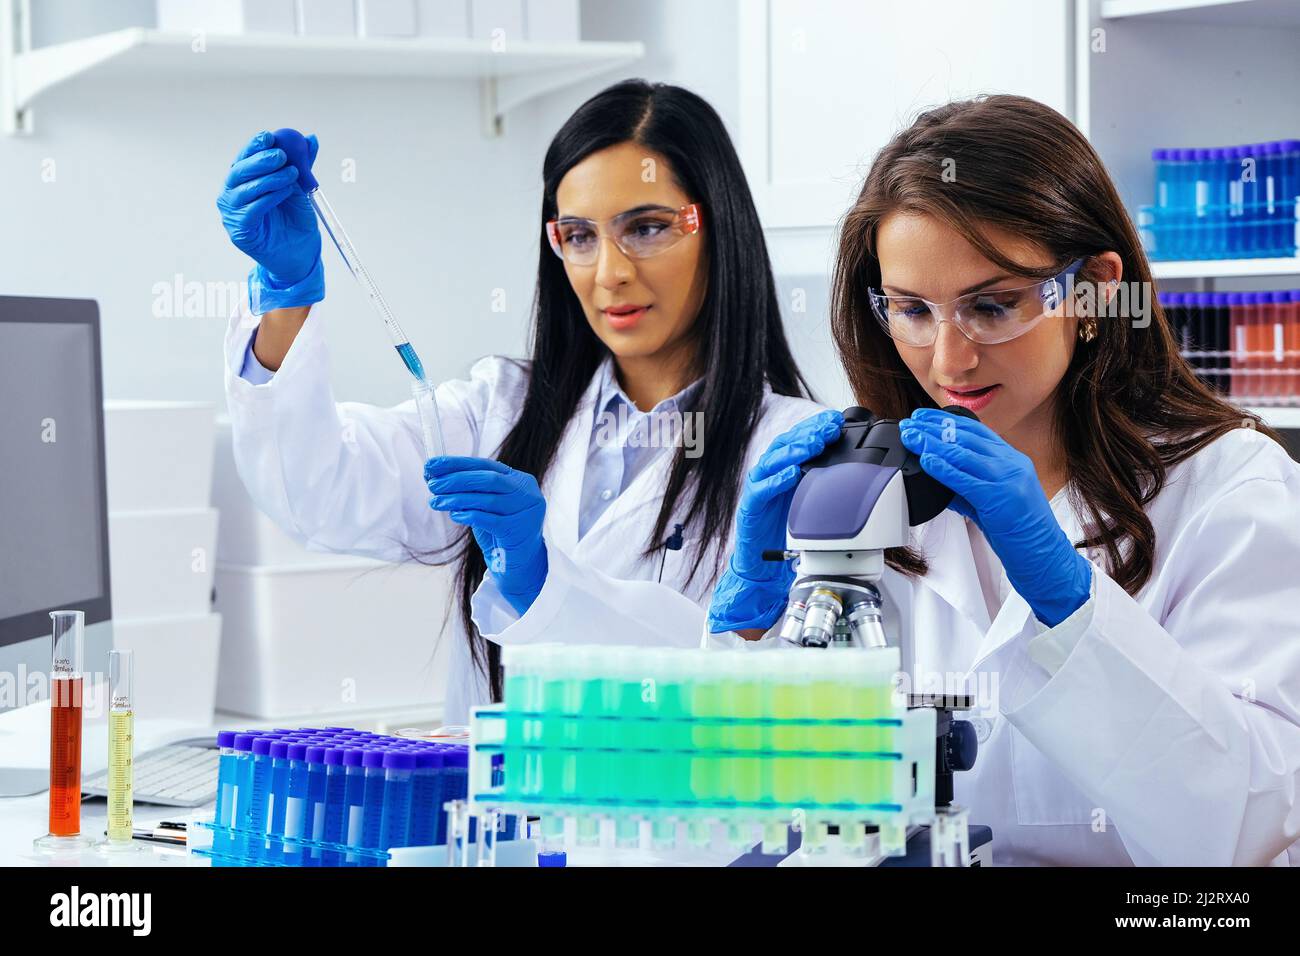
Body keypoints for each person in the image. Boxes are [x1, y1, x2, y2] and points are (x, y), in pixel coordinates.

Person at [706, 95, 1300, 866]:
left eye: (991, 306)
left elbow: (1257, 832)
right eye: (912, 310)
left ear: (1092, 290)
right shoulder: (873, 490)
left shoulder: (1229, 489)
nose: (949, 362)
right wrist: (751, 636)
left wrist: (1071, 606)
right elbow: (768, 807)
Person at [216, 80, 821, 725]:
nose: (610, 272)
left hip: (678, 823)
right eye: (580, 236)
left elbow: (789, 712)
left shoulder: (797, 452)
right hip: (490, 823)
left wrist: (543, 582)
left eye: (646, 228)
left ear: (718, 226)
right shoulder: (500, 408)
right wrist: (286, 296)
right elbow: (317, 492)